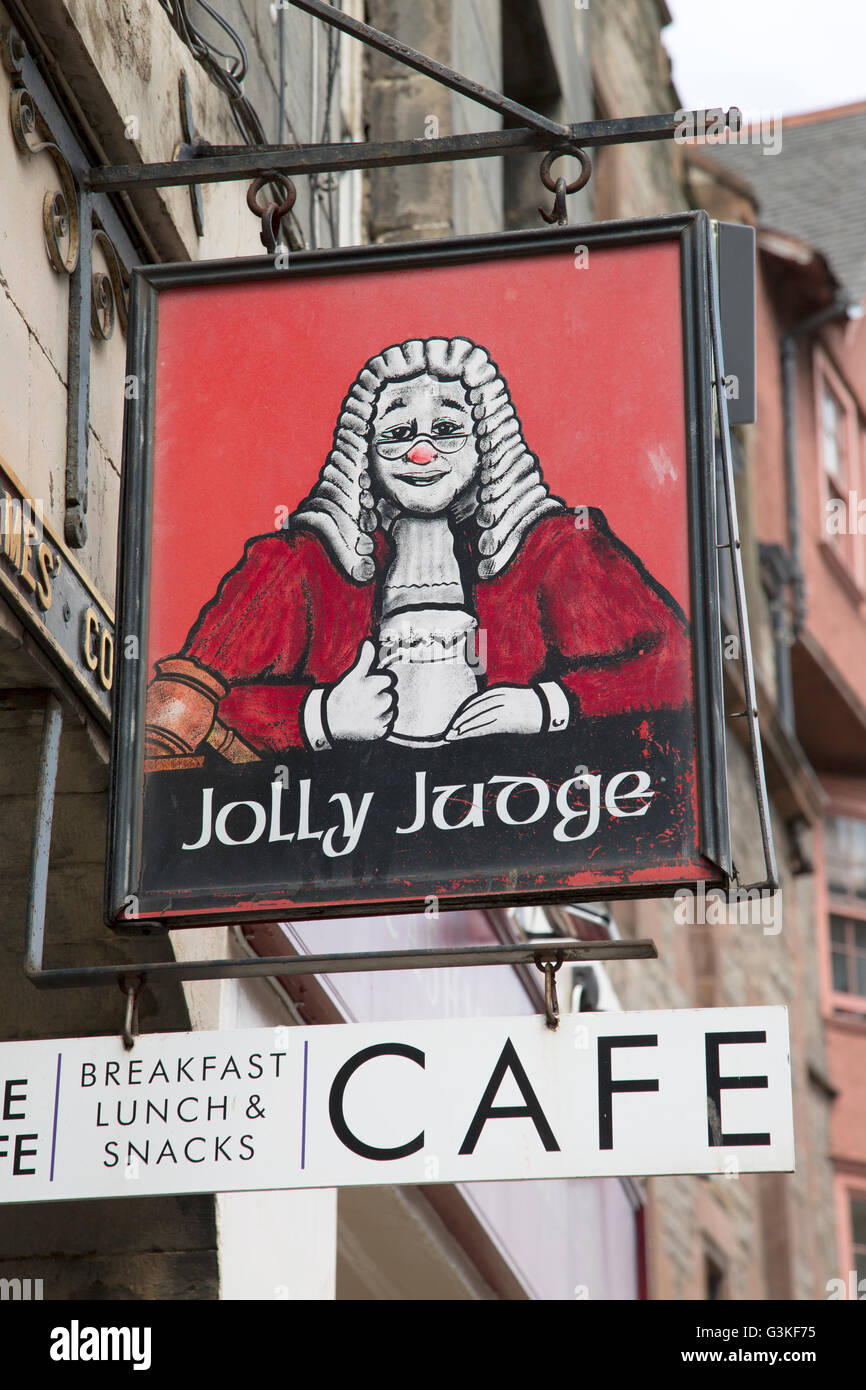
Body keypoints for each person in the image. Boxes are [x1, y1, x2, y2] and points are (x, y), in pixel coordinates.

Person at [144, 336, 692, 762]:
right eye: (398, 434)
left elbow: (675, 671)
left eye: (447, 430)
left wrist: (547, 705)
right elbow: (178, 713)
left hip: (503, 822)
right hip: (342, 842)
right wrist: (319, 716)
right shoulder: (299, 566)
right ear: (365, 450)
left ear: (486, 440)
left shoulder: (557, 551)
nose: (422, 453)